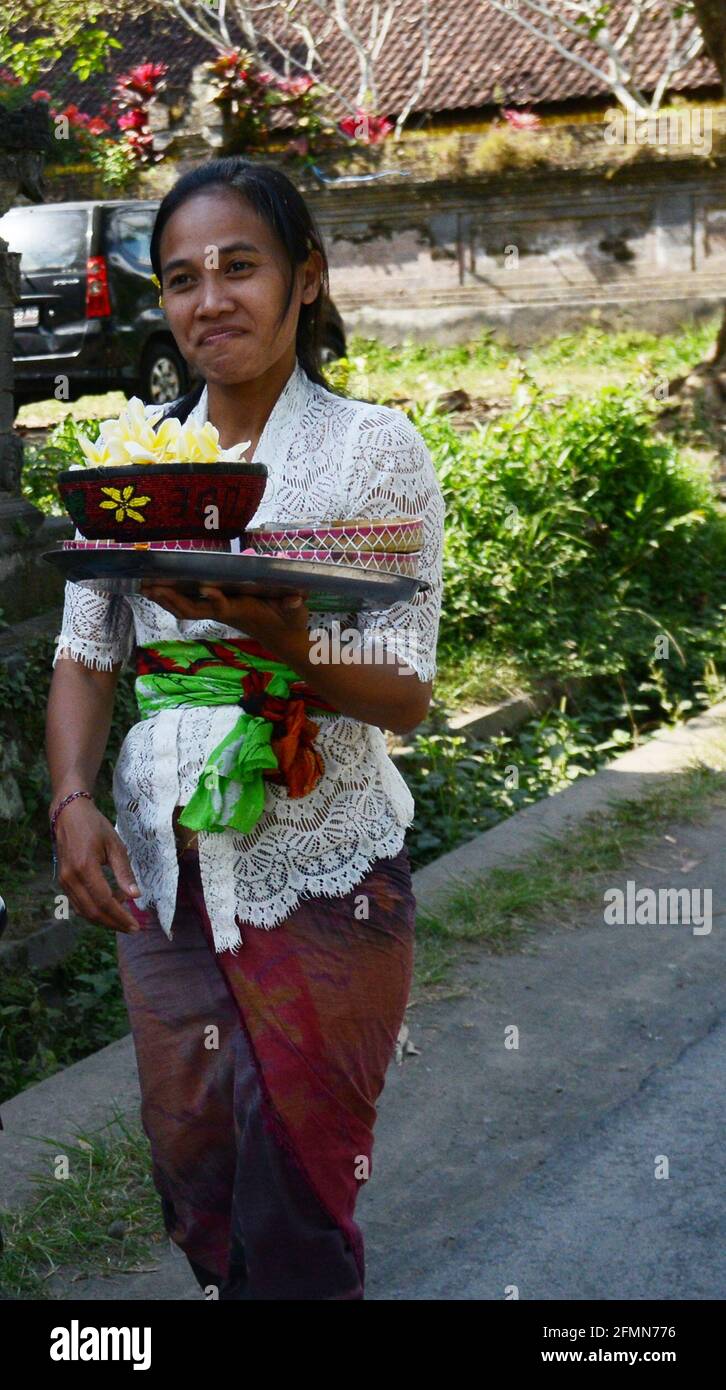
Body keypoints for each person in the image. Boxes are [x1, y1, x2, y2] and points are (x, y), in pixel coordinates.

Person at [45, 156, 444, 1301]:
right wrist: (72, 800)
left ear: (305, 279)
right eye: (179, 278)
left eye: (239, 266)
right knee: (192, 1146)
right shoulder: (137, 463)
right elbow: (86, 649)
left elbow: (406, 686)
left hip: (326, 870)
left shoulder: (372, 450)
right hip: (164, 871)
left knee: (304, 1178)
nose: (207, 298)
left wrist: (286, 643)